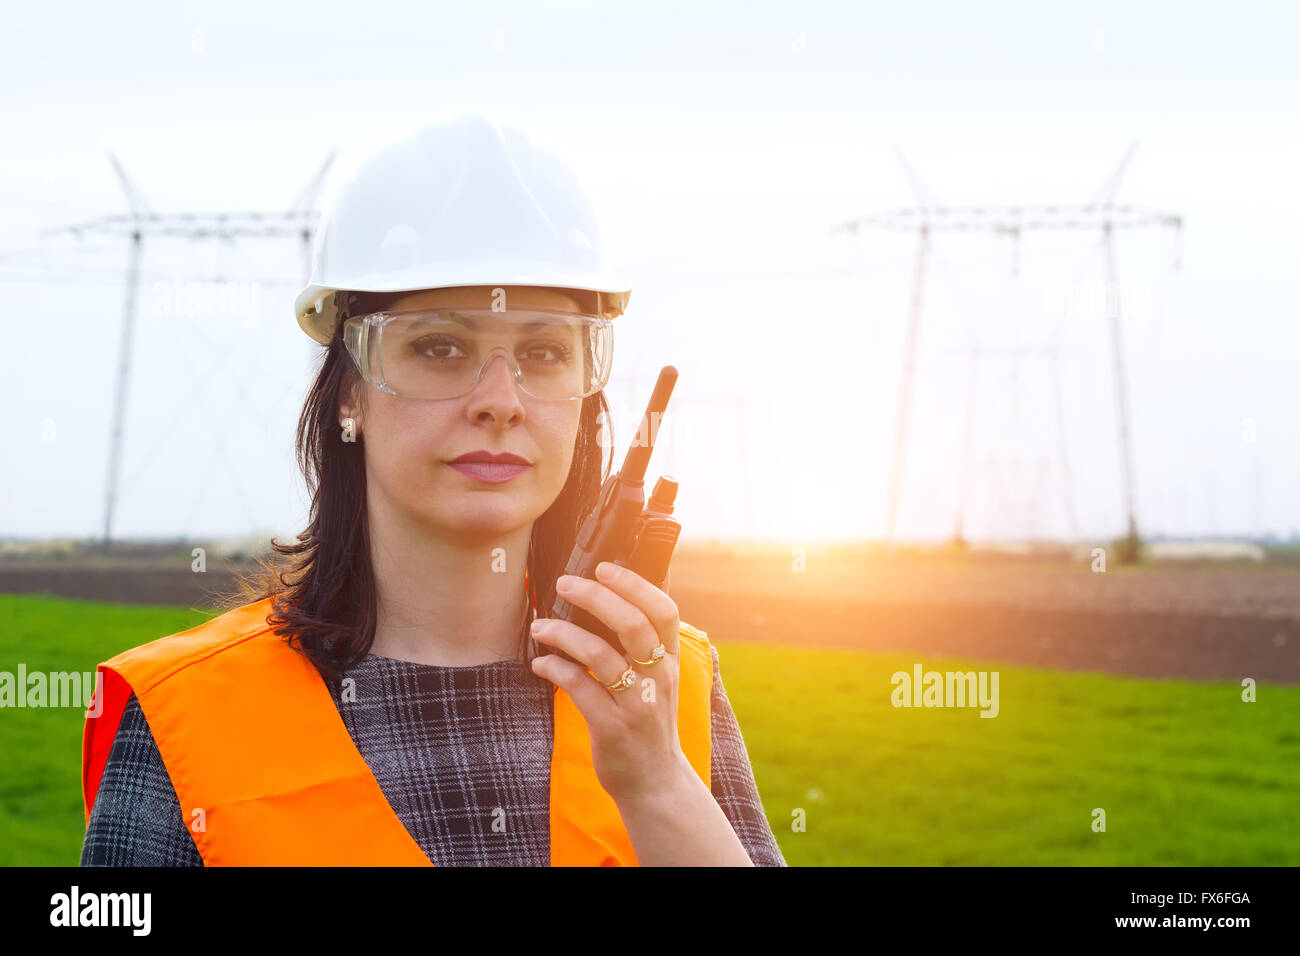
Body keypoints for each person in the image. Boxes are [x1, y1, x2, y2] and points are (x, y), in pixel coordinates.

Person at [79, 111, 785, 866]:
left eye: (544, 351)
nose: (500, 399)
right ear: (349, 394)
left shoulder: (663, 687)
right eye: (440, 347)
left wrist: (659, 790)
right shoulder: (187, 721)